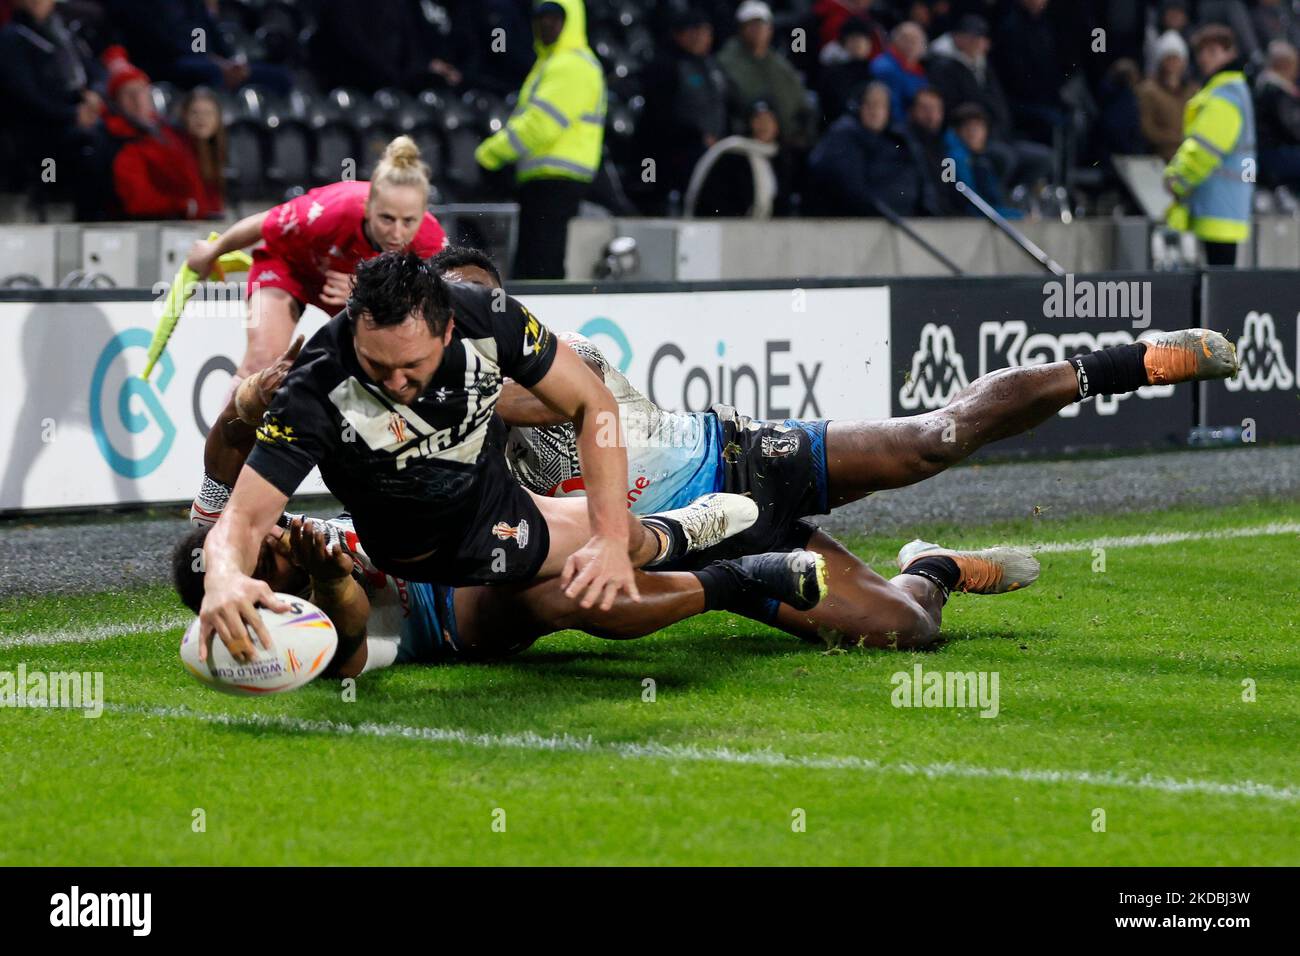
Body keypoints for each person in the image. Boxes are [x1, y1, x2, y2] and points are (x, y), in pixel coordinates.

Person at [436, 247, 1242, 650]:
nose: (476, 321)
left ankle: (1125, 363)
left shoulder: (550, 351)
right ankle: (932, 568)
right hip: (713, 548)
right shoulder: (457, 430)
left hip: (739, 459)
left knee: (931, 440)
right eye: (456, 311)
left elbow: (539, 397)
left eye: (484, 303)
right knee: (905, 631)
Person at [195, 251, 758, 663]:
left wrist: (609, 538)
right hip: (408, 555)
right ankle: (720, 568)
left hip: (492, 510)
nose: (393, 382)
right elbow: (241, 519)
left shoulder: (487, 318)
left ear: (445, 330)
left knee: (617, 541)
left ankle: (678, 531)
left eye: (409, 366)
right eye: (374, 365)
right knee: (579, 590)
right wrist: (222, 576)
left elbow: (593, 402)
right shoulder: (316, 385)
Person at [177, 352, 825, 676]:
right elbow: (349, 650)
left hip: (436, 530)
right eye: (271, 559)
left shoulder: (224, 541)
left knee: (586, 533)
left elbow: (229, 447)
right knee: (577, 597)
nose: (279, 539)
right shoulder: (267, 638)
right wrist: (332, 582)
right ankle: (738, 577)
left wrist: (246, 398)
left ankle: (674, 532)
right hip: (445, 617)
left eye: (267, 541)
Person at [185, 135, 448, 380]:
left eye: (408, 221)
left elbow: (433, 303)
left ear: (423, 214)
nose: (397, 233)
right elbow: (263, 223)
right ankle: (229, 429)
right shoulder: (330, 210)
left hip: (356, 295)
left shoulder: (430, 240)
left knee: (388, 368)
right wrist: (212, 251)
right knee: (263, 364)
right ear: (367, 207)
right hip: (290, 267)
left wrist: (371, 294)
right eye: (386, 218)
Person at [474, 0, 606, 280]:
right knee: (536, 267)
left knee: (541, 270)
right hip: (543, 182)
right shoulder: (552, 63)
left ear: (571, 22)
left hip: (556, 182)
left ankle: (546, 323)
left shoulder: (571, 64)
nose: (546, 24)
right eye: (541, 18)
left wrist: (491, 153)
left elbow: (540, 124)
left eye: (555, 18)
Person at [0, 0, 109, 219]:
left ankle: (98, 220)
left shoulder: (65, 31)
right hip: (38, 125)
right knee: (85, 149)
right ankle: (58, 206)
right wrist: (71, 114)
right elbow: (26, 94)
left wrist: (95, 94)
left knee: (110, 142)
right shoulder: (12, 37)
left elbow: (96, 70)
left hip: (76, 115)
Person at [1164, 24, 1255, 267]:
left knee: (1216, 287)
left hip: (1216, 203)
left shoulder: (1226, 95)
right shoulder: (1233, 90)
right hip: (1223, 202)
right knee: (1220, 283)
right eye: (1202, 52)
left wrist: (1177, 179)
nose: (1205, 58)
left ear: (1230, 53)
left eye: (1213, 51)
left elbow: (1205, 148)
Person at [101, 46, 219, 221]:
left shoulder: (167, 132)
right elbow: (138, 201)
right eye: (128, 93)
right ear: (116, 102)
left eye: (141, 91)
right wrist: (184, 206)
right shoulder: (118, 142)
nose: (137, 99)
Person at [638, 7, 729, 211]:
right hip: (676, 152)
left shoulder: (714, 66)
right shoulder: (664, 65)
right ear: (678, 34)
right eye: (693, 31)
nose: (700, 37)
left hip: (715, 149)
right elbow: (658, 117)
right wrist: (696, 136)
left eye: (705, 32)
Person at [806, 81, 935, 218]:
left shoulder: (901, 139)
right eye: (870, 104)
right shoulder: (843, 135)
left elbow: (924, 184)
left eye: (881, 106)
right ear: (859, 106)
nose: (875, 111)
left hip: (905, 221)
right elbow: (852, 189)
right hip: (856, 222)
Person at [716, 1, 817, 151]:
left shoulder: (779, 63)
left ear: (770, 29)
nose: (757, 30)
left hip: (786, 143)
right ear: (741, 29)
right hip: (746, 143)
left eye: (762, 25)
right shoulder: (726, 61)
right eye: (751, 25)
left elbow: (801, 99)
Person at [1137, 29, 1195, 162]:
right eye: (1169, 58)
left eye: (1177, 58)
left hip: (1190, 158)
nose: (1173, 63)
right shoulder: (1148, 91)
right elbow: (1147, 128)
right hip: (1159, 157)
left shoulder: (1193, 91)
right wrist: (1177, 138)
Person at [907, 86, 964, 215]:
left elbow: (951, 185)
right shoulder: (904, 144)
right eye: (925, 108)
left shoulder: (945, 146)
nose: (931, 115)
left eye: (936, 109)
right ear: (912, 111)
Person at [1255, 40, 1300, 191]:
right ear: (1285, 64)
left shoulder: (1271, 88)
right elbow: (1291, 129)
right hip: (1272, 152)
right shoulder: (1274, 91)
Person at [818, 18, 880, 126]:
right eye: (854, 40)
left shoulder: (876, 71)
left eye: (863, 39)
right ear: (844, 43)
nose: (858, 44)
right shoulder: (833, 73)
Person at [177, 87, 225, 218]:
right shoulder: (177, 152)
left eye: (208, 113)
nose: (201, 119)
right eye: (194, 113)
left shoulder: (220, 151)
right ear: (184, 116)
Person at [870, 21, 929, 121]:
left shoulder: (918, 70)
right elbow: (893, 107)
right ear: (894, 41)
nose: (911, 44)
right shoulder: (885, 67)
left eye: (916, 40)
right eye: (906, 38)